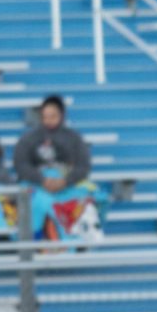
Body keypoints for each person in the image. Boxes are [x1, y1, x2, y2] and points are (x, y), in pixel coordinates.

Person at [13, 94, 103, 242]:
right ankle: (36, 240)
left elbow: (83, 167)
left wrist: (64, 181)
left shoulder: (74, 138)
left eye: (53, 116)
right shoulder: (28, 139)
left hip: (67, 186)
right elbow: (20, 165)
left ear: (61, 115)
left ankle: (72, 240)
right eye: (45, 116)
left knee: (86, 201)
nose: (48, 120)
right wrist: (42, 179)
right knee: (35, 201)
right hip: (37, 185)